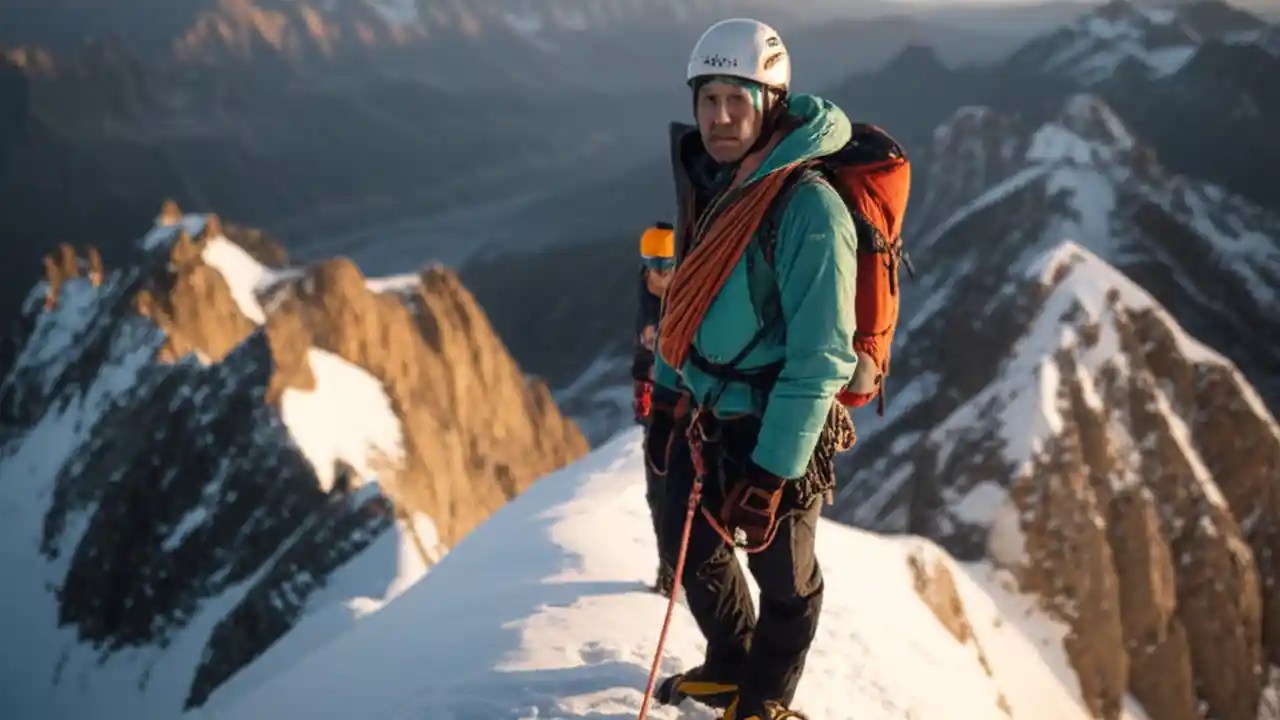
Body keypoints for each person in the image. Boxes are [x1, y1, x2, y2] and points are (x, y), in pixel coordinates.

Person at [645, 17, 862, 720]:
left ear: (771, 102)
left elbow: (822, 357)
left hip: (778, 423)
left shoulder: (807, 208)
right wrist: (668, 399)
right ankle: (732, 665)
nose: (720, 116)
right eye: (708, 99)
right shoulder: (718, 187)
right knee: (688, 544)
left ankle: (764, 702)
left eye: (737, 98)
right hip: (708, 413)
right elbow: (689, 305)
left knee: (787, 581)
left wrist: (771, 474)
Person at [631, 221, 677, 597]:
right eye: (655, 268)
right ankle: (670, 569)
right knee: (657, 492)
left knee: (672, 490)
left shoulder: (681, 298)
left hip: (681, 406)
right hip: (655, 407)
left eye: (667, 268)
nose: (660, 276)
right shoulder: (649, 297)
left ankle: (679, 569)